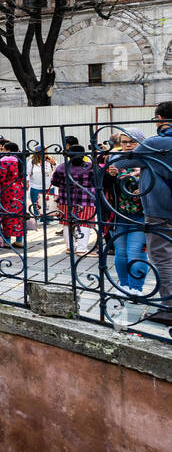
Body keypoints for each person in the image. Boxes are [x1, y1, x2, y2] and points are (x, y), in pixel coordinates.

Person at [106, 103, 172, 325]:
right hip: (131, 213)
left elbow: (123, 161)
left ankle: (169, 308)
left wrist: (126, 158)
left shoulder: (156, 143)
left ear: (160, 118)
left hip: (160, 210)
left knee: (161, 257)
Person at [102, 130, 149, 322]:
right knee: (120, 252)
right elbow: (103, 185)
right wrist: (109, 173)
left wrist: (144, 183)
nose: (128, 145)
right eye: (124, 141)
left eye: (133, 141)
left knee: (135, 251)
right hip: (119, 214)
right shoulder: (115, 159)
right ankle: (124, 287)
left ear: (142, 142)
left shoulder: (149, 158)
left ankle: (135, 290)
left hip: (142, 215)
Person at [51, 143, 98, 252]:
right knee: (84, 223)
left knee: (68, 223)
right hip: (86, 199)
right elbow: (96, 182)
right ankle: (82, 248)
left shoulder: (62, 167)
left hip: (66, 199)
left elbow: (54, 181)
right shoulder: (90, 166)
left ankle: (70, 247)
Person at [0, 142, 27, 249]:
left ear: (8, 150)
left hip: (7, 189)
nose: (2, 151)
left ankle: (7, 240)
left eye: (3, 149)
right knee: (18, 213)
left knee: (7, 214)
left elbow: (1, 177)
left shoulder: (6, 160)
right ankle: (19, 240)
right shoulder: (20, 159)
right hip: (18, 188)